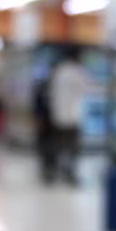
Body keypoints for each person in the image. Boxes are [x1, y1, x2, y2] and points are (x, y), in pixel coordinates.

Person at [48, 55, 90, 186]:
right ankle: (69, 173)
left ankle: (55, 171)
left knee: (59, 145)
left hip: (58, 116)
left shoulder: (59, 71)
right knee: (72, 148)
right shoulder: (78, 72)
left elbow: (52, 93)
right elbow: (86, 89)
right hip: (73, 117)